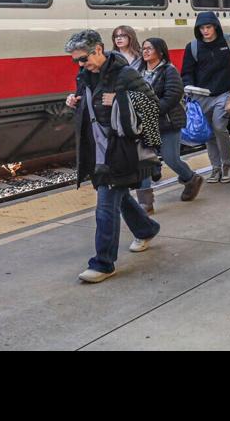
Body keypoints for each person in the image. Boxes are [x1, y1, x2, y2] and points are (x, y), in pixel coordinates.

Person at [64, 30, 160, 284]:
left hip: (120, 150)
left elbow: (152, 107)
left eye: (83, 59)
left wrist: (120, 99)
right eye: (76, 61)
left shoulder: (126, 74)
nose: (80, 65)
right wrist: (74, 101)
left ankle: (103, 263)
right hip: (96, 150)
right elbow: (89, 106)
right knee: (119, 195)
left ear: (98, 50)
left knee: (106, 206)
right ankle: (146, 228)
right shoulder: (84, 77)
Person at [139, 37, 203, 206]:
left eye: (149, 48)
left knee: (170, 158)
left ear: (160, 51)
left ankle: (191, 178)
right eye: (143, 48)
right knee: (144, 161)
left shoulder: (169, 70)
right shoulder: (138, 70)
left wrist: (151, 110)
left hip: (168, 121)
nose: (145, 51)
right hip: (145, 123)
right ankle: (146, 204)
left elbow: (172, 96)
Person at [180, 11, 230, 183]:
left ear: (215, 26)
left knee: (219, 126)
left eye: (208, 27)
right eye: (202, 28)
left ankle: (227, 164)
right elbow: (187, 71)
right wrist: (189, 87)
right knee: (208, 134)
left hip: (225, 93)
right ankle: (216, 167)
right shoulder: (192, 47)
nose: (205, 31)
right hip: (201, 95)